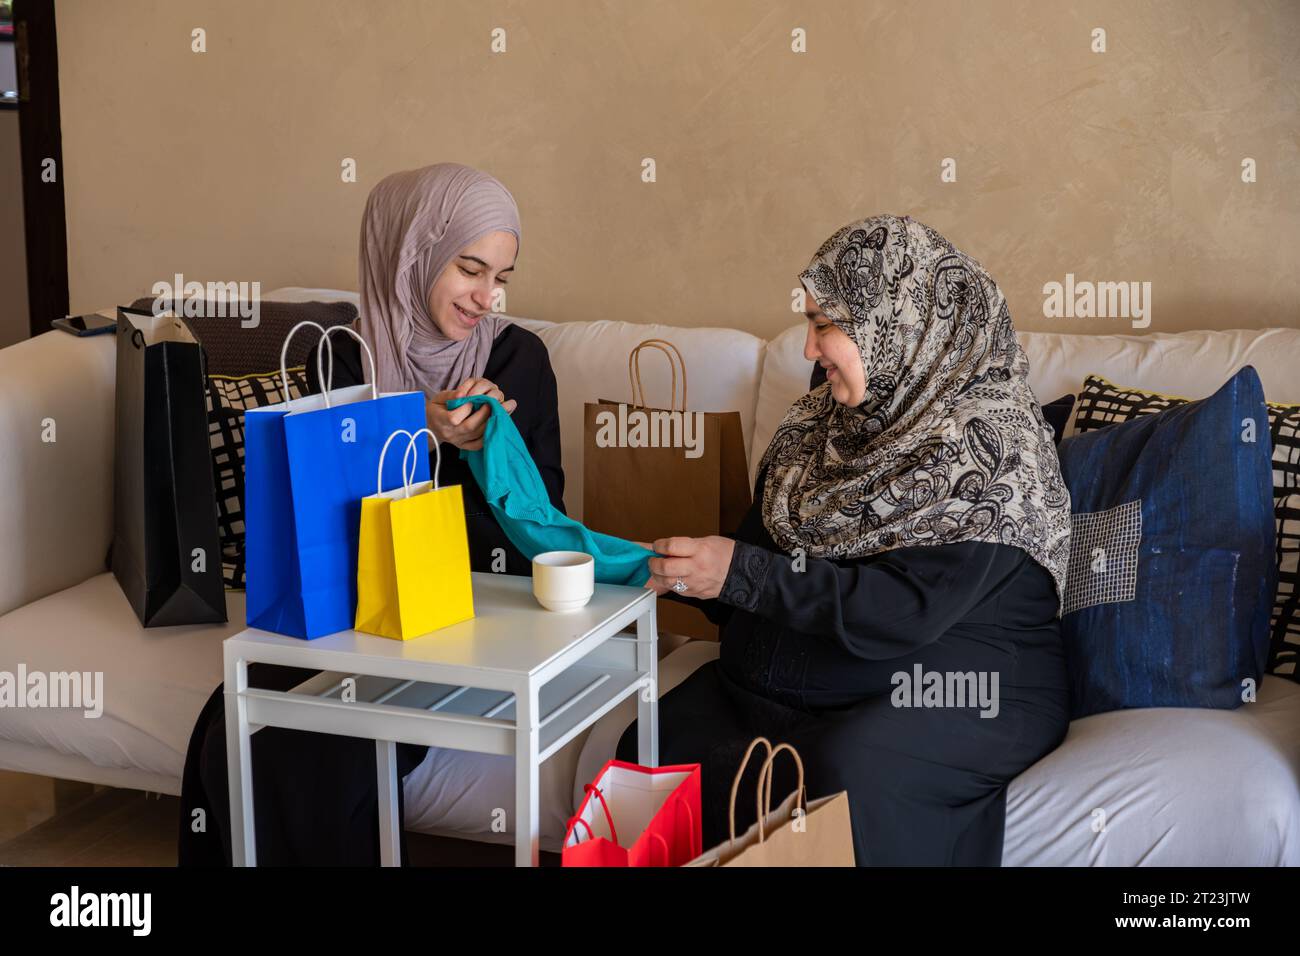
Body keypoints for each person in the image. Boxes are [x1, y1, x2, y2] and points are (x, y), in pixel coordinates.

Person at [619, 214, 1073, 866]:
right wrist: (685, 571)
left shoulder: (988, 444)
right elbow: (759, 564)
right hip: (794, 682)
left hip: (961, 683)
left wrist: (741, 574)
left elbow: (904, 610)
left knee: (847, 774)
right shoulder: (824, 423)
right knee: (654, 745)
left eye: (825, 324)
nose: (808, 350)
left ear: (900, 324)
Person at [178, 163, 565, 865]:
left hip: (458, 623)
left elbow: (539, 538)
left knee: (310, 755)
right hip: (342, 616)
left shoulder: (518, 360)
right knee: (226, 735)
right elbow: (316, 524)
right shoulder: (341, 360)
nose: (487, 296)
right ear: (410, 254)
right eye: (470, 269)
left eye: (502, 276)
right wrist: (406, 426)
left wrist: (485, 455)